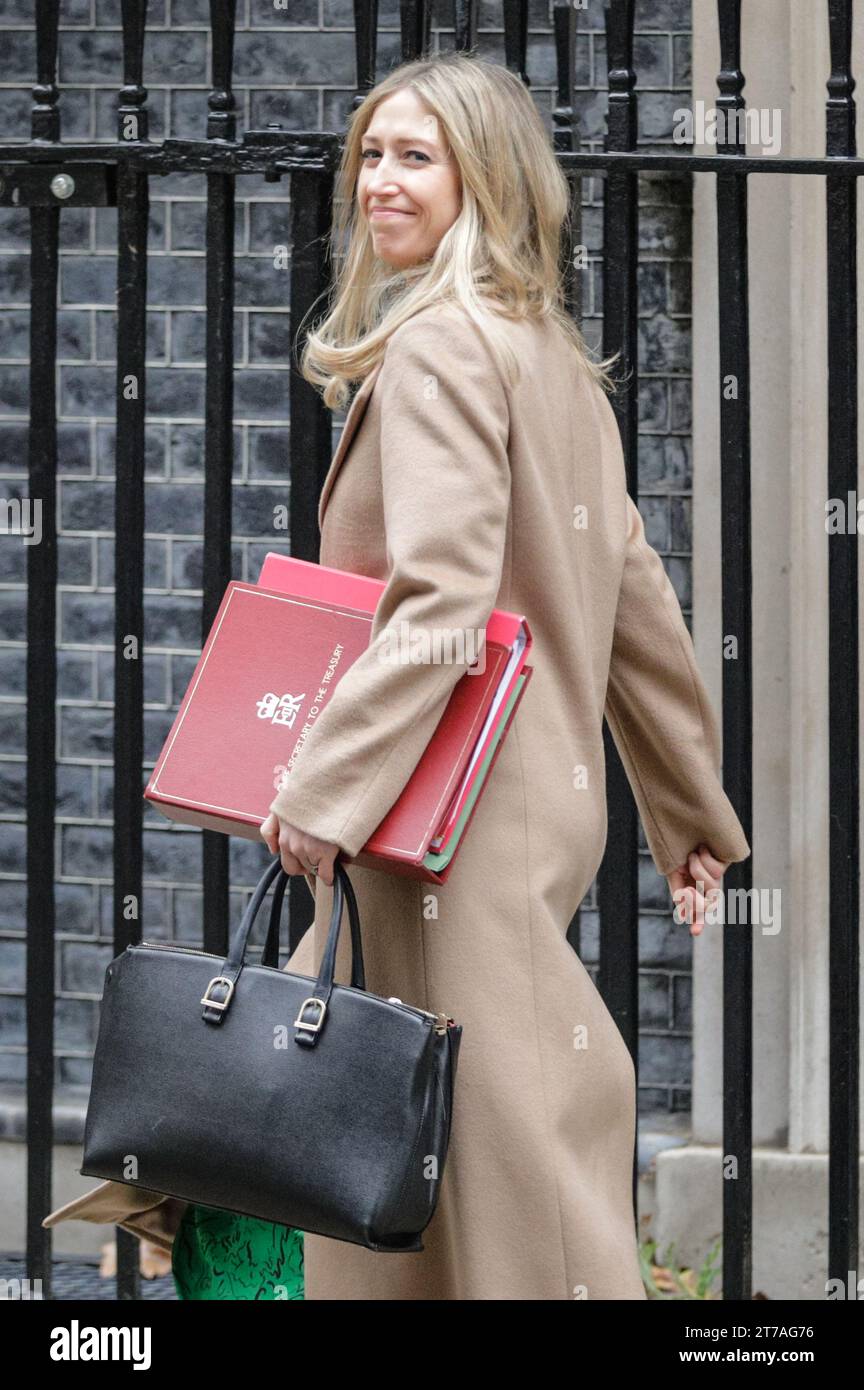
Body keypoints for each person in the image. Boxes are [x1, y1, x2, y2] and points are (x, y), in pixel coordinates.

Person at [43, 51, 750, 1300]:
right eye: (372, 153)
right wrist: (688, 811)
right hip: (505, 804)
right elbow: (637, 596)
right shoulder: (548, 357)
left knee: (505, 1130)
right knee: (441, 1111)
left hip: (443, 806)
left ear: (486, 177)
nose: (379, 180)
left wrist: (325, 784)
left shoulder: (435, 348)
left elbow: (439, 605)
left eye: (415, 156)